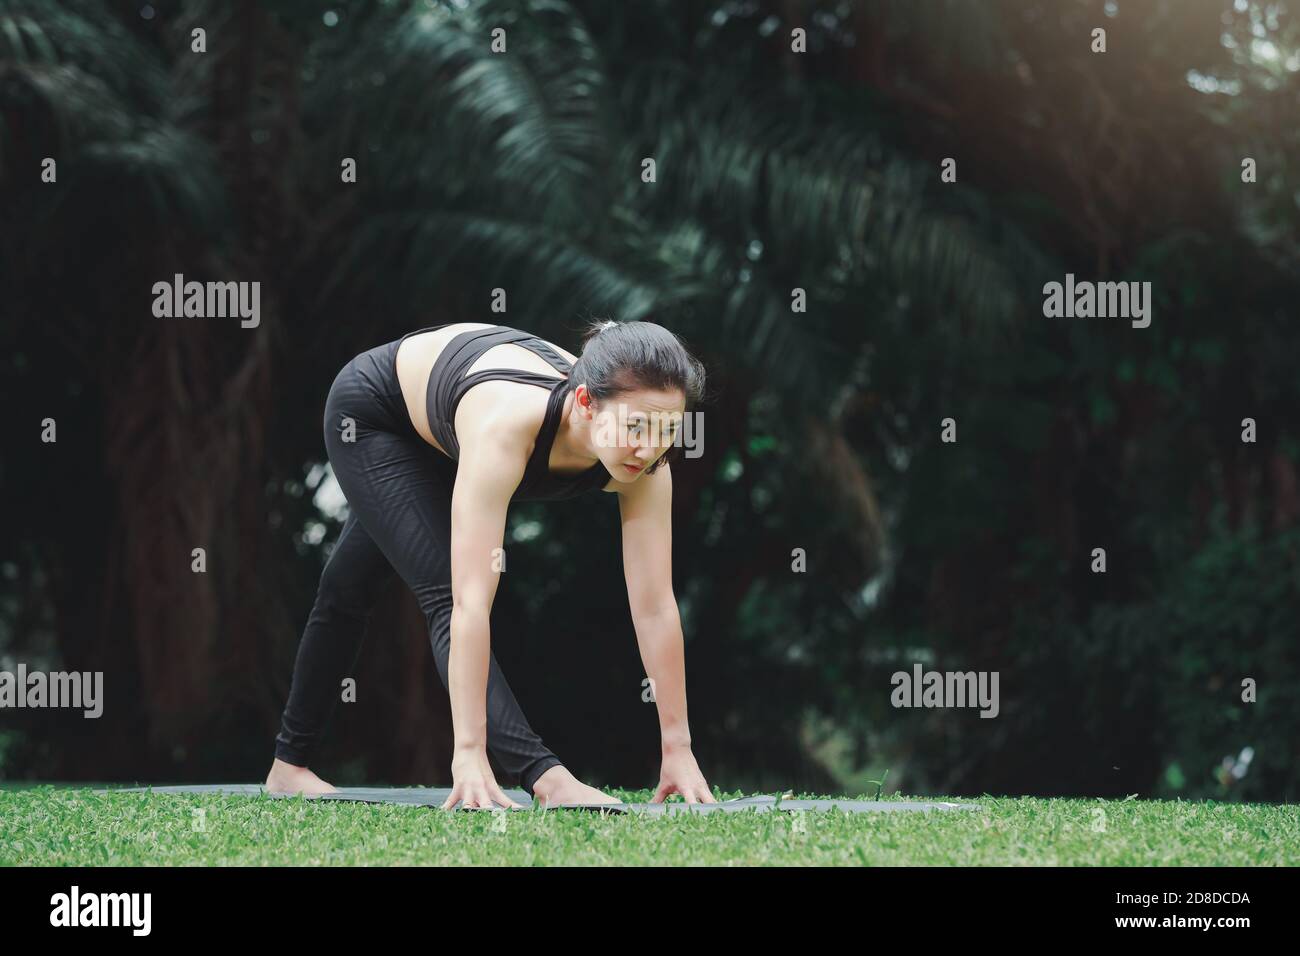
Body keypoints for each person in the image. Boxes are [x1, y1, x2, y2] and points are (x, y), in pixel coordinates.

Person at [265, 319, 714, 808]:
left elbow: (654, 606)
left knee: (347, 587)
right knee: (444, 588)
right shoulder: (506, 425)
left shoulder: (647, 462)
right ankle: (545, 776)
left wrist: (679, 749)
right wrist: (469, 752)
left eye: (668, 430)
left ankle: (288, 767)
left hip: (453, 428)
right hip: (377, 416)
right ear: (585, 403)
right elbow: (469, 603)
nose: (650, 449)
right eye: (636, 428)